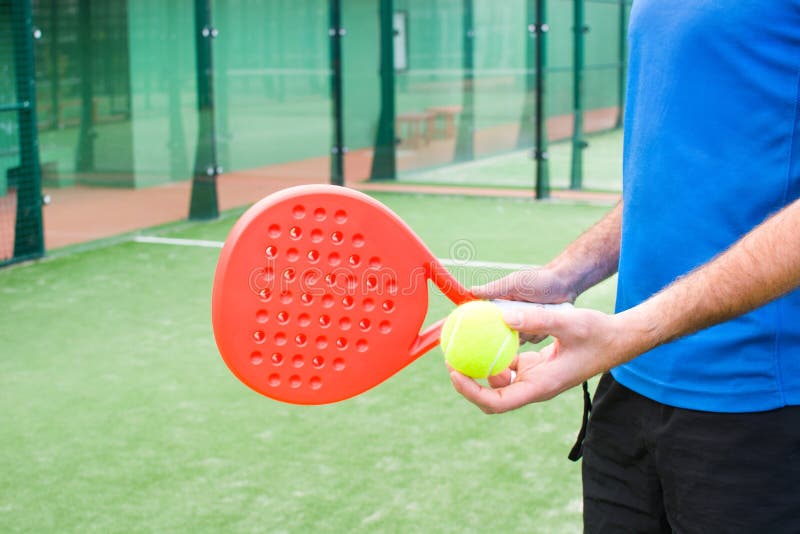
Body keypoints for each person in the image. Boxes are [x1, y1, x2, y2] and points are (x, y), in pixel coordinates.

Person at [450, 2, 800, 532]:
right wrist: (567, 275)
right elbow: (679, 170)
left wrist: (634, 330)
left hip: (758, 404)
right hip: (627, 387)